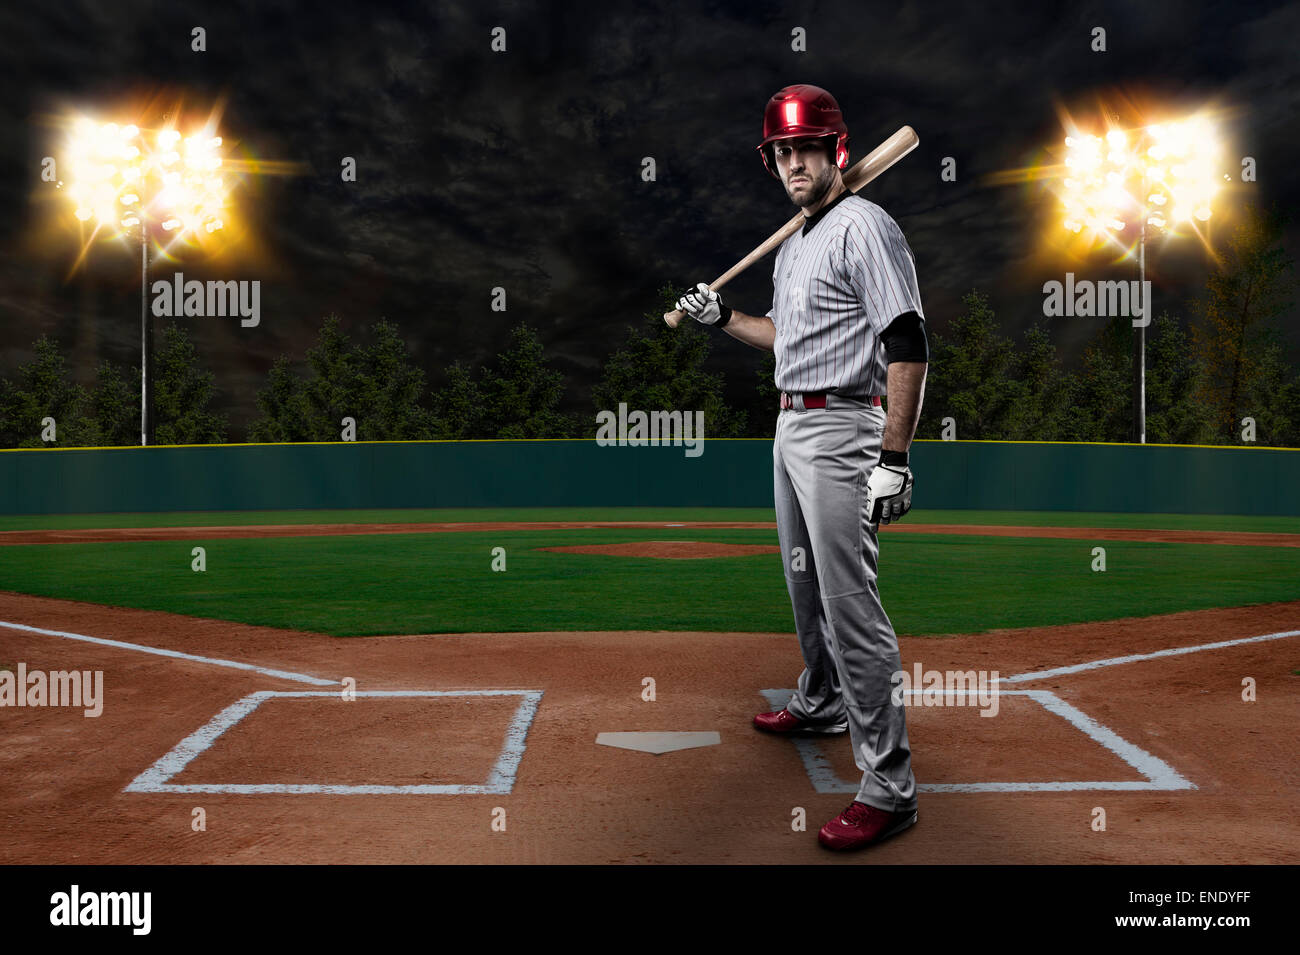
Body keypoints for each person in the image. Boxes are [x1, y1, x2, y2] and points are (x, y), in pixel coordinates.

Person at [674, 84, 929, 851]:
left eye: (805, 148)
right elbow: (784, 336)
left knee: (851, 604)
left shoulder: (864, 225)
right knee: (803, 584)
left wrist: (894, 455)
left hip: (845, 428)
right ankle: (821, 699)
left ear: (835, 151)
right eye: (782, 151)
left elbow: (910, 341)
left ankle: (890, 788)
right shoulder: (794, 244)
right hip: (789, 423)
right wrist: (722, 320)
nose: (792, 161)